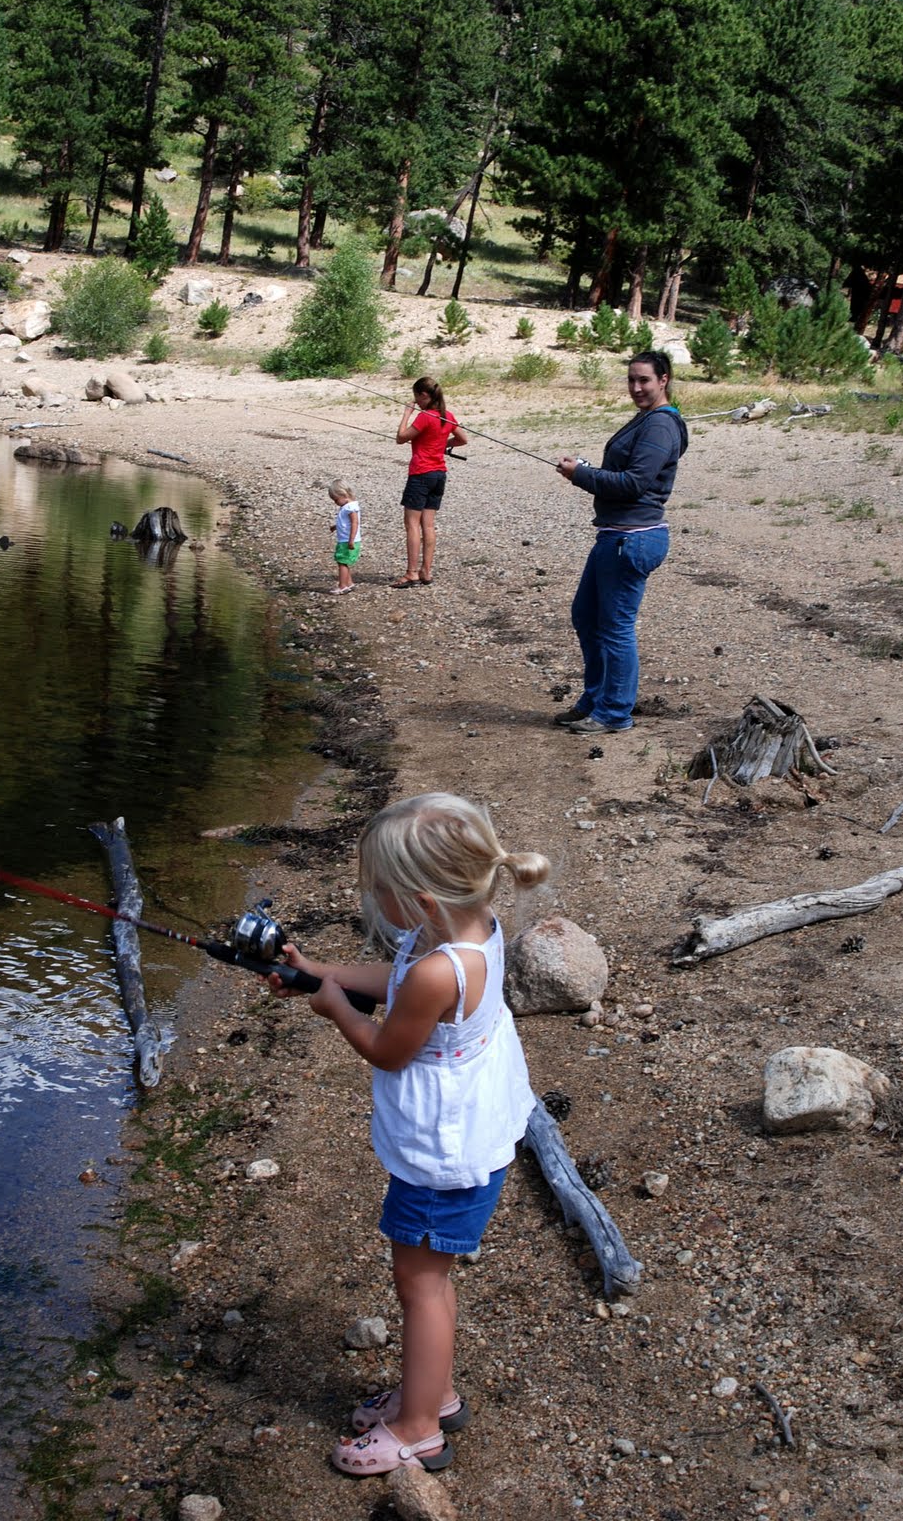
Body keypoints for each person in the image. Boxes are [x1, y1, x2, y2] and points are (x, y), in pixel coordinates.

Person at [269, 792, 548, 1476]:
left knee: (420, 1285)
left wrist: (334, 1008)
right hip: (472, 1132)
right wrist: (321, 973)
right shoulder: (468, 928)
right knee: (430, 1279)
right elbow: (391, 982)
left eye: (376, 889)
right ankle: (434, 1392)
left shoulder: (435, 970)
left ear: (421, 899)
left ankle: (419, 1428)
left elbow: (388, 1047)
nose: (368, 897)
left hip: (443, 1155)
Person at [554, 350, 688, 734]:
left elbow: (634, 484)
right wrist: (586, 471)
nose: (636, 387)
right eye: (631, 379)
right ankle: (595, 700)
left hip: (633, 540)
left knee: (615, 628)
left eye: (644, 380)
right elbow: (623, 473)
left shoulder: (661, 425)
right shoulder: (647, 419)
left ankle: (614, 713)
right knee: (586, 616)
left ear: (663, 380)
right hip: (614, 535)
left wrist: (581, 474)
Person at [391, 377, 468, 587]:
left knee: (412, 525)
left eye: (416, 397)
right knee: (429, 525)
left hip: (421, 474)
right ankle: (426, 571)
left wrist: (407, 413)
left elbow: (401, 437)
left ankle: (411, 573)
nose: (415, 401)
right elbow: (462, 439)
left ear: (424, 395)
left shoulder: (425, 417)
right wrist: (442, 445)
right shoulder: (447, 416)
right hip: (439, 475)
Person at [328, 478, 361, 595]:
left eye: (336, 499)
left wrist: (351, 540)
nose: (335, 502)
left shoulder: (350, 508)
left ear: (343, 494)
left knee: (342, 562)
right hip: (344, 539)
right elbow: (344, 523)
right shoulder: (346, 507)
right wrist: (336, 526)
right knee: (343, 561)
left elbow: (354, 523)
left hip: (347, 541)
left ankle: (342, 586)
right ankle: (349, 582)